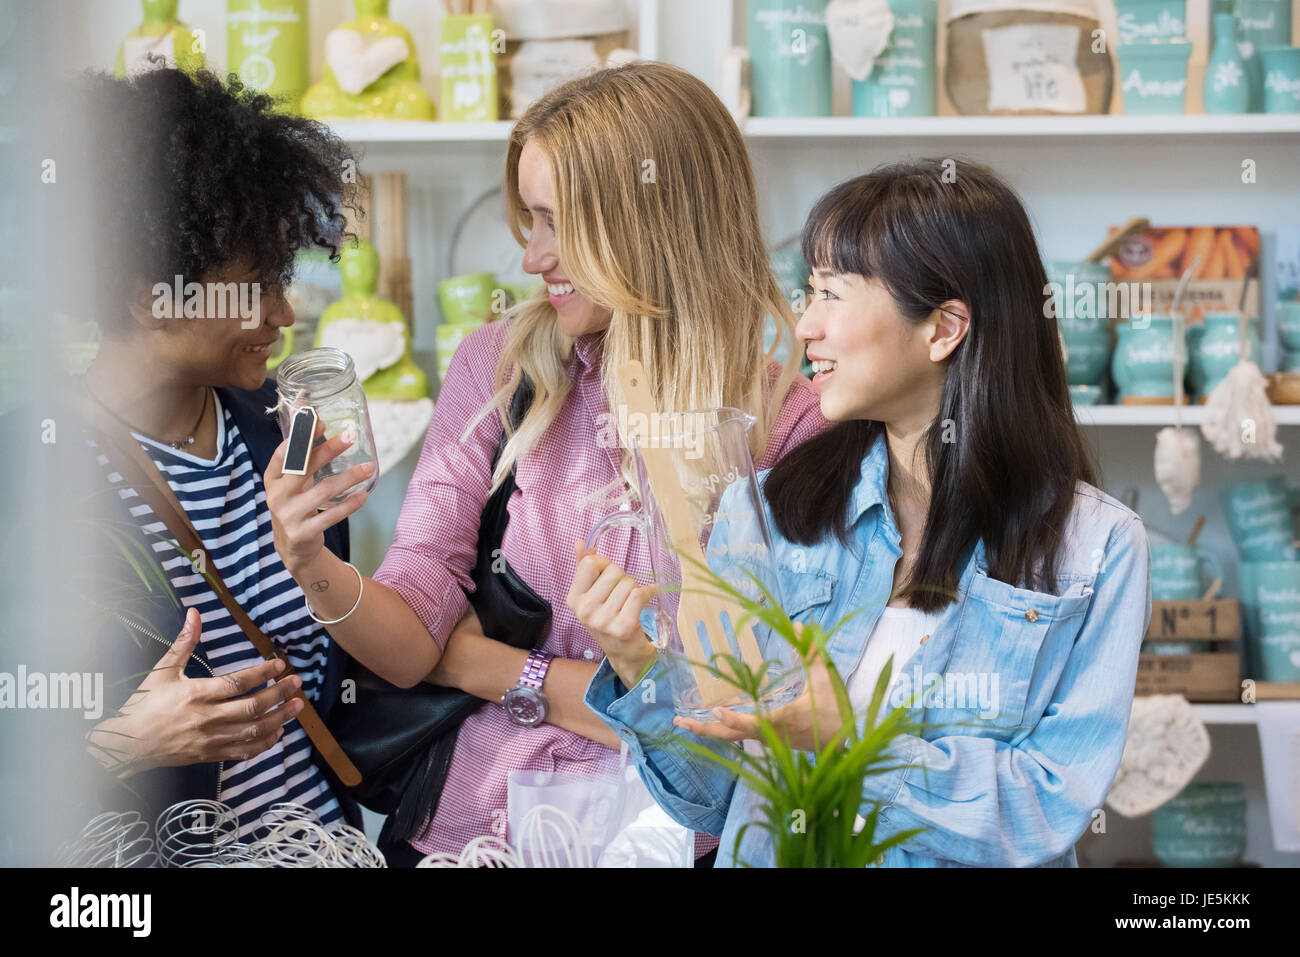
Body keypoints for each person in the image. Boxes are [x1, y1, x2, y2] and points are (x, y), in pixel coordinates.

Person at [265, 61, 826, 864]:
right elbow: (417, 642)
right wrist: (310, 559)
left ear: (652, 221)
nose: (532, 257)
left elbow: (750, 718)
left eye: (555, 223)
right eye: (527, 220)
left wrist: (495, 666)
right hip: (475, 835)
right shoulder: (499, 366)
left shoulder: (785, 426)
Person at [578, 159, 1152, 867]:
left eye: (831, 294)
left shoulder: (1096, 547)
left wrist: (850, 743)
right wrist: (638, 665)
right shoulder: (763, 515)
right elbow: (717, 797)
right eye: (807, 290)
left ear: (943, 328)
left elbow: (1046, 803)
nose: (804, 324)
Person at [23, 68, 365, 838]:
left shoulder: (287, 429)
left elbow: (340, 657)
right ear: (153, 296)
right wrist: (125, 744)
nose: (283, 312)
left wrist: (330, 570)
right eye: (255, 287)